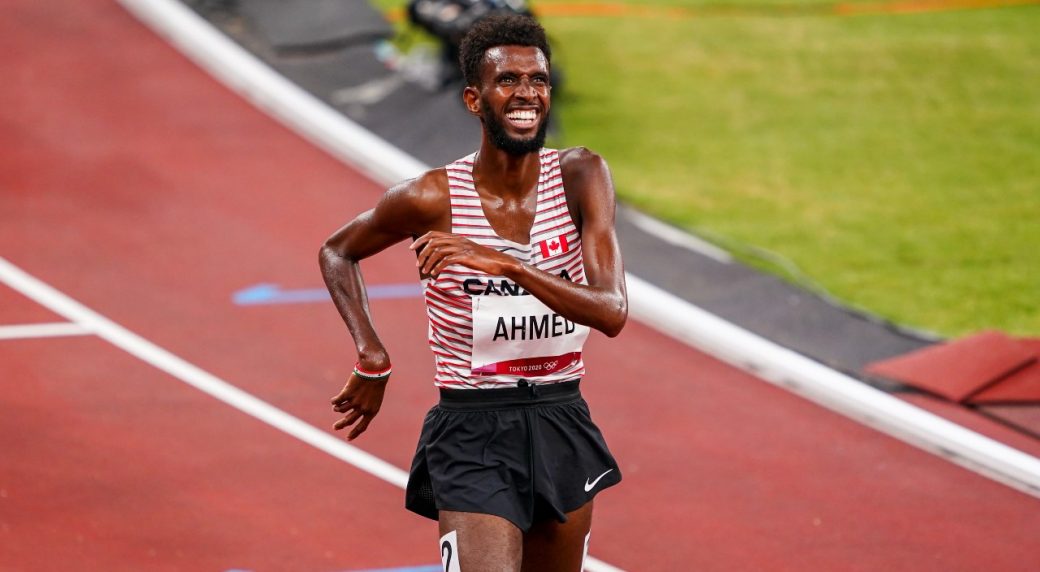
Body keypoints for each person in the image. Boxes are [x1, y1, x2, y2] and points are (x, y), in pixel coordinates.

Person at [319, 13, 627, 571]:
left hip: (561, 417)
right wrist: (372, 355)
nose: (527, 93)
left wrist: (506, 266)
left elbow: (612, 312)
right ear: (473, 99)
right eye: (507, 80)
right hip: (473, 427)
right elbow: (337, 251)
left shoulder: (581, 176)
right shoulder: (431, 198)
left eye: (538, 79)